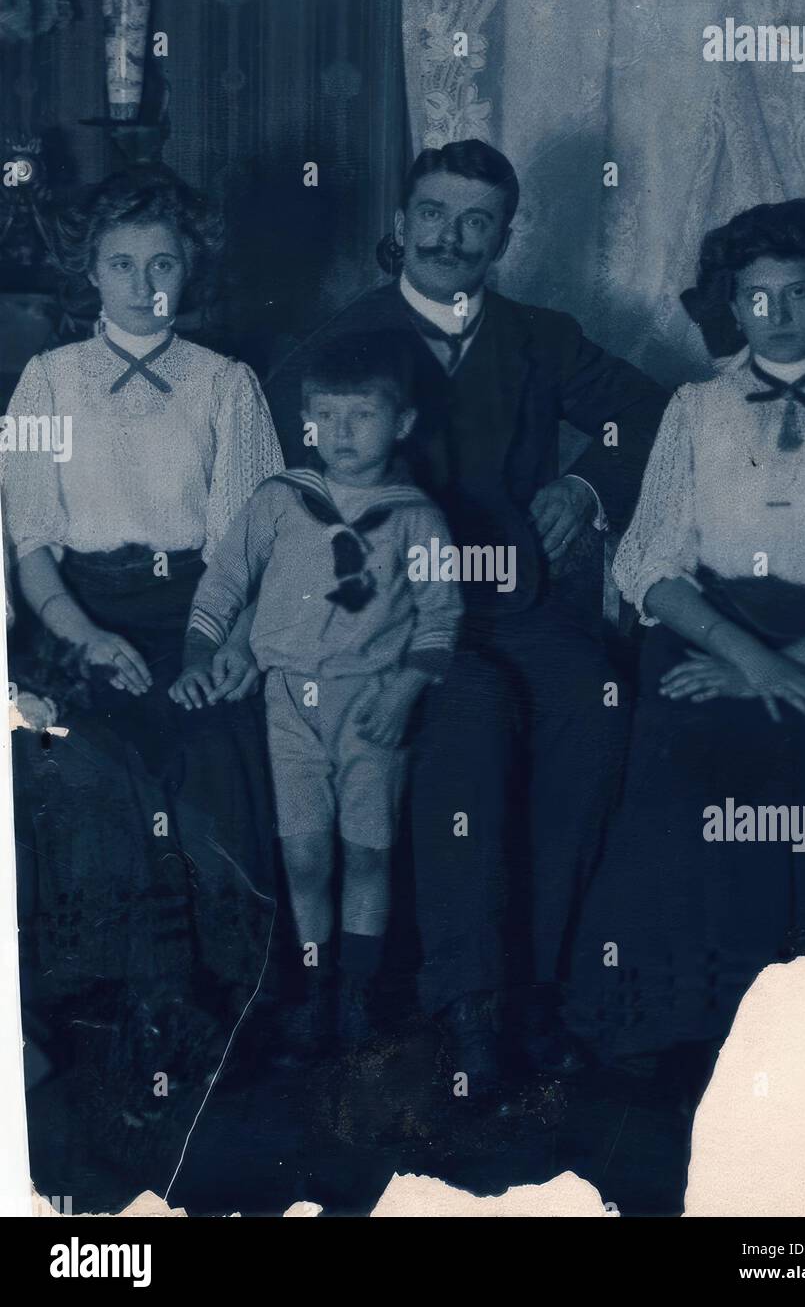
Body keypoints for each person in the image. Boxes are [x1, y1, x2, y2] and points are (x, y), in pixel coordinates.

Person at [268, 140, 667, 1093]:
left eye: (477, 221)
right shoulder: (338, 348)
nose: (453, 237)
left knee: (598, 696)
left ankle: (542, 984)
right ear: (402, 223)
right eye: (435, 214)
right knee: (471, 719)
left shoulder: (540, 336)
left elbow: (654, 415)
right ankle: (468, 1005)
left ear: (504, 237)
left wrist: (582, 482)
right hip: (395, 623)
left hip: (517, 601)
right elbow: (295, 500)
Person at [568, 198, 805, 1212]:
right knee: (691, 760)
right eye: (755, 293)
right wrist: (744, 661)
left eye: (797, 291)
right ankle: (678, 1032)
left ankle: (795, 1032)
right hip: (705, 641)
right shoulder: (693, 409)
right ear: (731, 303)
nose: (775, 312)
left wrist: (788, 666)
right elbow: (650, 564)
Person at [2, 169, 284, 1110]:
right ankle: (127, 1001)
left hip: (194, 621)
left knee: (212, 751)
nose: (142, 281)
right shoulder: (47, 382)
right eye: (121, 262)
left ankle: (201, 1008)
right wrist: (84, 639)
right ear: (90, 270)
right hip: (77, 621)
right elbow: (33, 550)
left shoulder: (226, 385)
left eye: (163, 261)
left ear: (191, 267)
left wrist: (210, 652)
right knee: (89, 759)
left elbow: (246, 548)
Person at [177, 333, 462, 1052]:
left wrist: (405, 689)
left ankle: (361, 999)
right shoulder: (279, 501)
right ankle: (315, 988)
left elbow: (441, 615)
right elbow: (225, 581)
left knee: (367, 852)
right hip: (288, 705)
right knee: (304, 856)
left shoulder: (416, 517)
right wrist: (197, 655)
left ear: (401, 424)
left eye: (360, 416)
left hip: (370, 707)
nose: (339, 434)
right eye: (323, 417)